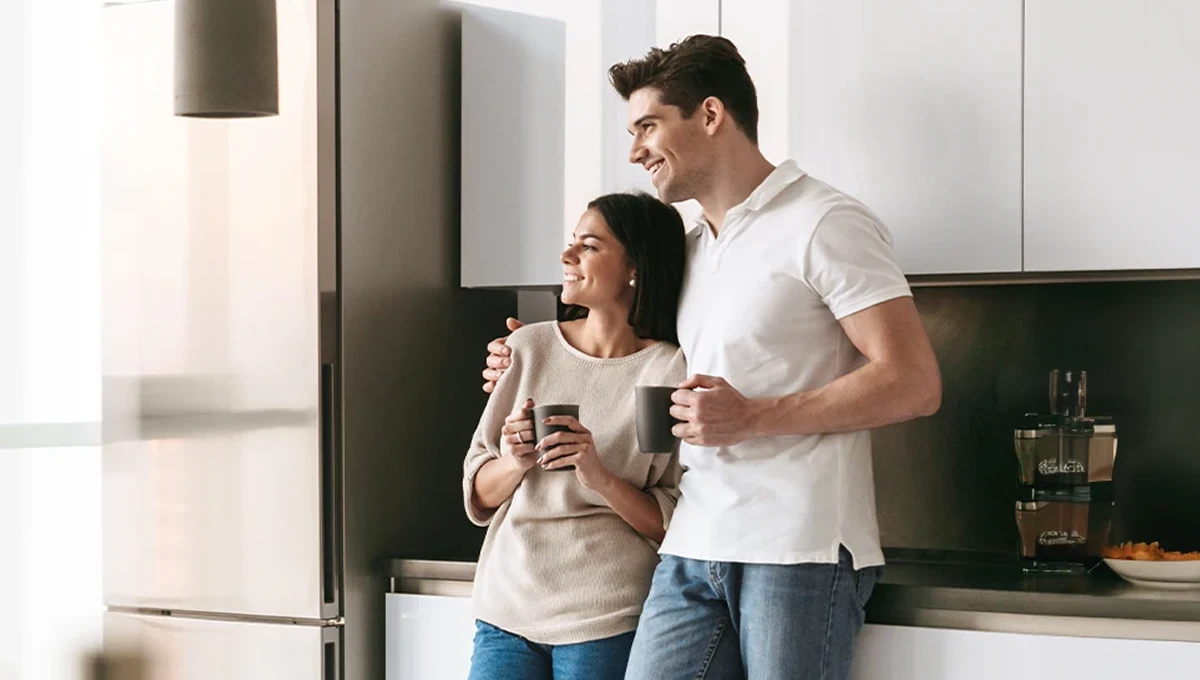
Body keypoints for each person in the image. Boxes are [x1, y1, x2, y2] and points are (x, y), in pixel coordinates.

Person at [481, 36, 943, 679]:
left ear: (710, 114)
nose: (635, 149)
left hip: (798, 548)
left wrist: (753, 417)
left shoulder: (825, 222)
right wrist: (521, 353)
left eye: (648, 126)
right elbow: (621, 349)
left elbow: (913, 381)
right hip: (691, 543)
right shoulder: (691, 250)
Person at [463, 191, 689, 680]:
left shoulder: (666, 371)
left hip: (604, 620)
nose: (567, 256)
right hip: (506, 611)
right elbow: (478, 492)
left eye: (588, 246)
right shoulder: (528, 347)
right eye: (572, 244)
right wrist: (514, 461)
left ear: (635, 267)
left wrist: (598, 475)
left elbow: (667, 519)